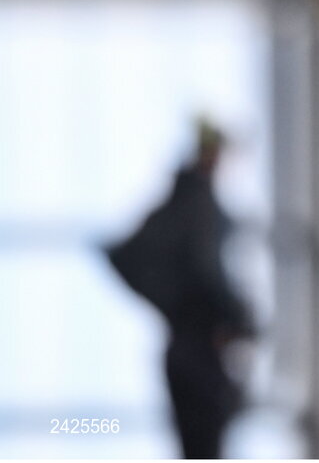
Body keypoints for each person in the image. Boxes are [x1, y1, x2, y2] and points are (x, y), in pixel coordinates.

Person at [108, 120, 254, 458]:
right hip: (193, 348)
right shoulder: (194, 204)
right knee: (204, 440)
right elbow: (205, 269)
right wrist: (231, 313)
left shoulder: (187, 203)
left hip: (189, 347)